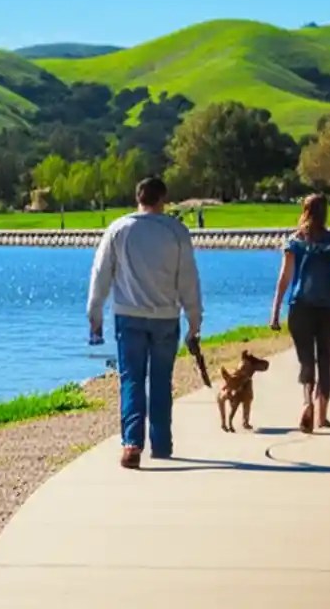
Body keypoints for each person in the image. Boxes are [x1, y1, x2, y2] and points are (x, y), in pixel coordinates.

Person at [87, 177, 203, 469]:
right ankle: (162, 444)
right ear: (163, 198)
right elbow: (188, 279)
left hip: (129, 316)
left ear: (137, 197)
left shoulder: (118, 229)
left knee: (132, 380)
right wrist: (194, 319)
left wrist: (95, 314)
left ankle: (131, 443)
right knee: (161, 381)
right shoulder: (176, 231)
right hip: (166, 316)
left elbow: (101, 274)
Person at [269, 194, 330, 433]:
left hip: (299, 307)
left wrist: (275, 310)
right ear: (325, 213)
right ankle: (322, 416)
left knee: (306, 359)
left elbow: (285, 278)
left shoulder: (294, 242)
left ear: (305, 211)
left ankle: (306, 401)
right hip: (329, 307)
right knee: (326, 359)